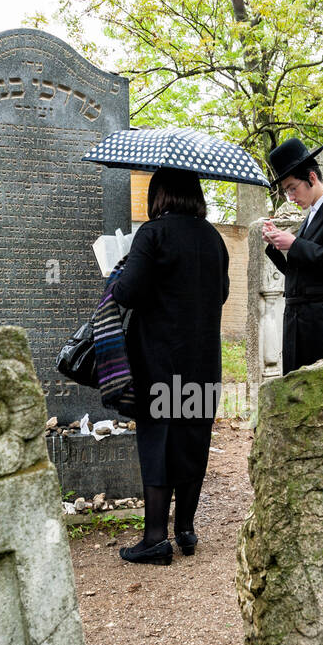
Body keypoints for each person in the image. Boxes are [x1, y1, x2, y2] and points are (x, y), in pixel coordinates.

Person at [111, 168, 229, 566]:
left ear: (160, 195)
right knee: (192, 439)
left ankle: (155, 539)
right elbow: (222, 292)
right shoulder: (214, 239)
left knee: (159, 440)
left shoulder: (153, 234)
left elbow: (127, 292)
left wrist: (119, 270)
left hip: (159, 359)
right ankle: (187, 531)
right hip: (203, 360)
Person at [261, 138, 323, 375]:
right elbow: (301, 272)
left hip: (321, 321)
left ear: (312, 178)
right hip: (296, 320)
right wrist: (278, 244)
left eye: (292, 188)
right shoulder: (310, 216)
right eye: (287, 191)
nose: (291, 197)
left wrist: (295, 244)